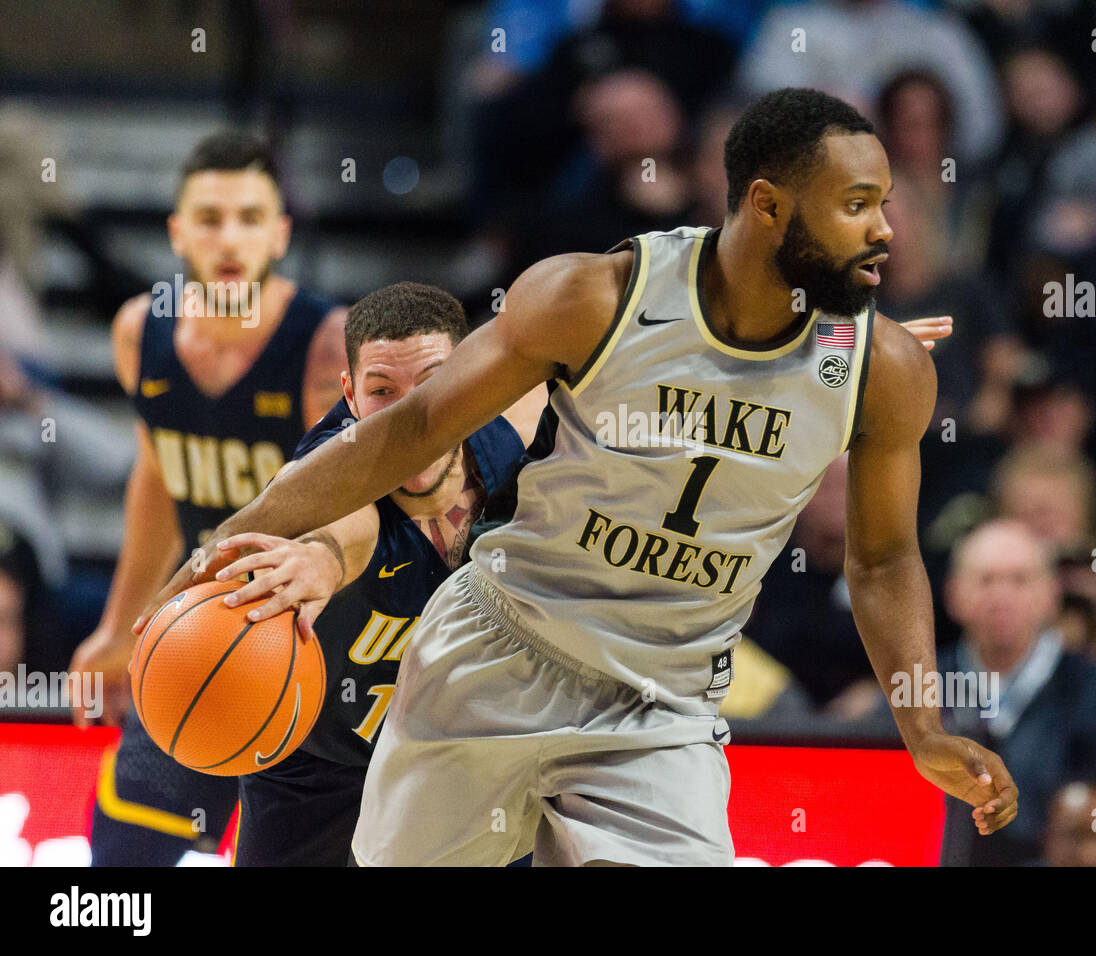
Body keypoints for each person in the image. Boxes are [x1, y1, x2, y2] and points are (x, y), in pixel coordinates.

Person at [141, 89, 1019, 867]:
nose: (885, 231)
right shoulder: (596, 298)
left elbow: (883, 559)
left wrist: (922, 728)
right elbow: (409, 429)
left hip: (662, 700)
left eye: (885, 205)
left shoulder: (883, 368)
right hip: (500, 651)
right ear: (767, 205)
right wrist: (239, 530)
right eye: (857, 206)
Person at [70, 131, 348, 865]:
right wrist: (118, 625)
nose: (230, 237)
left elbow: (359, 505)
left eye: (252, 217)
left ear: (281, 232)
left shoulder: (324, 344)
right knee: (121, 864)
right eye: (212, 216)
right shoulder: (141, 330)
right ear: (177, 230)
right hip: (198, 633)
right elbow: (158, 481)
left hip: (313, 641)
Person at [207, 283, 536, 865]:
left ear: (469, 377)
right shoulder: (316, 480)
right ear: (350, 397)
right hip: (317, 770)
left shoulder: (520, 436)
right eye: (384, 392)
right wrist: (321, 561)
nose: (412, 417)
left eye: (433, 384)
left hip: (464, 761)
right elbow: (344, 526)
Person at [937, 519, 1096, 867]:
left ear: (1051, 595)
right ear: (953, 595)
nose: (1001, 596)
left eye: (1019, 580)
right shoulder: (921, 686)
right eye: (985, 580)